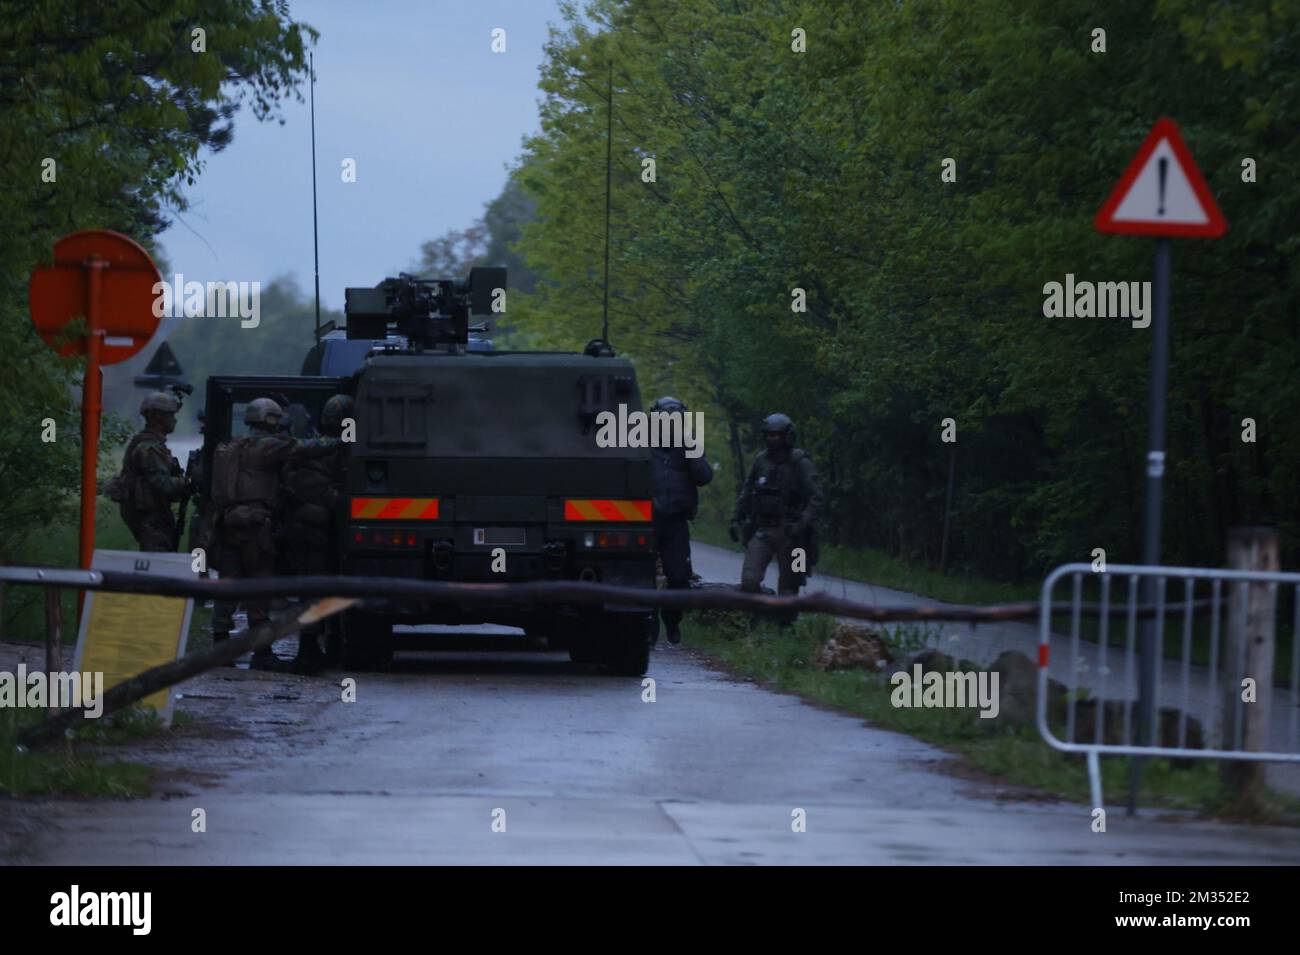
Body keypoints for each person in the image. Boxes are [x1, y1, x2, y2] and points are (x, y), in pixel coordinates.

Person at [211, 397, 340, 671]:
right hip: (257, 526)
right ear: (271, 419)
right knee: (260, 588)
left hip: (228, 523)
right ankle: (262, 652)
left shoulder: (233, 445)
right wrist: (340, 441)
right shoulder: (267, 446)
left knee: (227, 586)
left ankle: (220, 647)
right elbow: (303, 448)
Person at [280, 394, 352, 673]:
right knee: (315, 591)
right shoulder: (332, 449)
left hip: (308, 529)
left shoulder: (313, 446)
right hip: (315, 531)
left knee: (316, 590)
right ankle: (309, 650)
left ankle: (318, 647)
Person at [730, 413, 823, 624]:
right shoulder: (761, 460)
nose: (772, 439)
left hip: (796, 537)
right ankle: (757, 619)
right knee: (750, 580)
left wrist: (802, 523)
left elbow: (816, 498)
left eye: (777, 435)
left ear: (787, 436)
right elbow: (747, 490)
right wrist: (736, 518)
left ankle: (786, 628)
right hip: (764, 530)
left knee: (792, 585)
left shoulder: (801, 462)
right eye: (769, 435)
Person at [648, 396, 713, 646]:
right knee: (643, 577)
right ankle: (650, 626)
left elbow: (704, 477)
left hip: (676, 521)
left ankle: (672, 620)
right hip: (648, 521)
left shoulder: (688, 445)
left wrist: (691, 451)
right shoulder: (642, 444)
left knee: (679, 578)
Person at [119, 392, 189, 552]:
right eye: (170, 415)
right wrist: (187, 482)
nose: (174, 419)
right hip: (149, 517)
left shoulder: (151, 443)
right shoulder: (149, 447)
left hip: (152, 513)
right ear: (158, 417)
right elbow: (162, 483)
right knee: (158, 558)